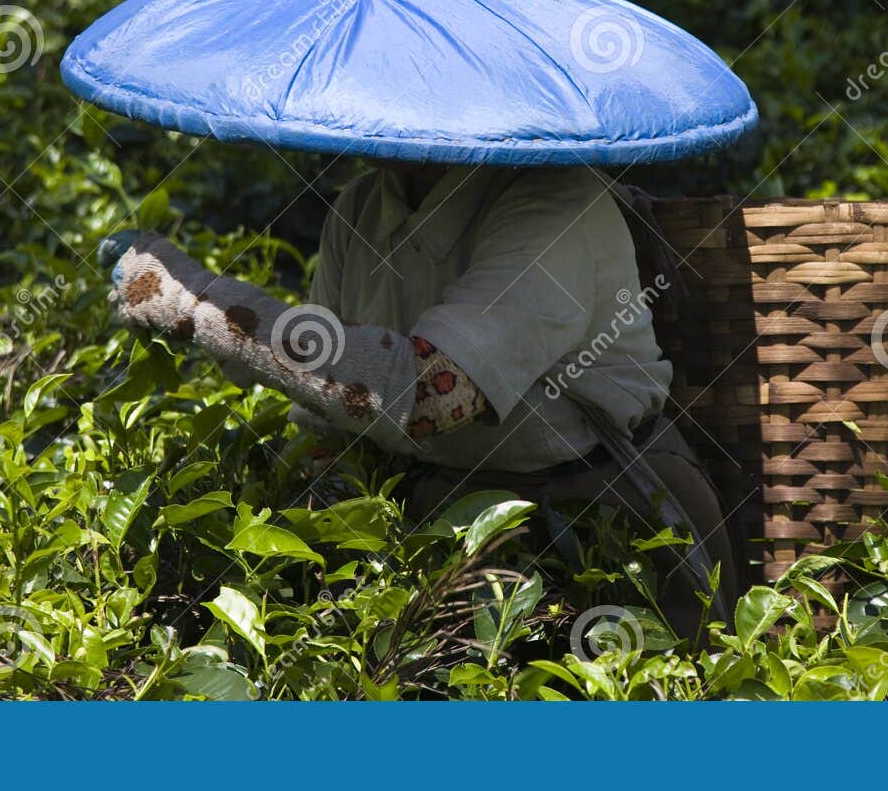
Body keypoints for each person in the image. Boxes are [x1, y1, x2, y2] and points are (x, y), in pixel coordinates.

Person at [101, 161, 738, 636]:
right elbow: (324, 417)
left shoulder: (557, 201)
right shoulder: (364, 203)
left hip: (605, 518)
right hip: (442, 518)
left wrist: (204, 308)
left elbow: (433, 393)